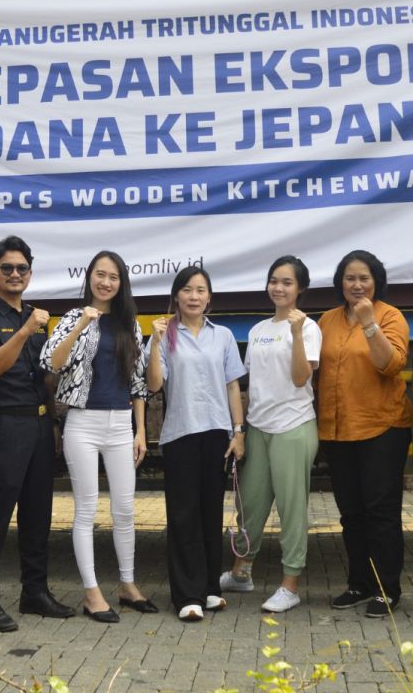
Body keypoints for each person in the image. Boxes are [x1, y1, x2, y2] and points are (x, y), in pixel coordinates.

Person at [41, 250, 157, 623]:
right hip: (83, 423)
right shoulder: (72, 317)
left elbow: (138, 383)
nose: (106, 282)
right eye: (100, 274)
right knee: (87, 509)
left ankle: (127, 585)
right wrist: (80, 325)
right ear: (89, 277)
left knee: (125, 510)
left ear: (121, 283)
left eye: (113, 277)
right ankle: (91, 593)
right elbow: (50, 363)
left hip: (121, 424)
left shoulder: (129, 324)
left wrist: (141, 432)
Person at [0, 235, 75, 632]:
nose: (15, 274)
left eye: (22, 268)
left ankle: (35, 593)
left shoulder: (37, 317)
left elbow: (45, 377)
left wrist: (56, 421)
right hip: (5, 426)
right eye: (7, 268)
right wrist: (26, 330)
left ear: (30, 272)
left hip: (39, 425)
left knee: (37, 514)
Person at [317, 249, 413, 618]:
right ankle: (358, 583)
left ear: (376, 282)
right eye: (350, 278)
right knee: (351, 513)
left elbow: (391, 365)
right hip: (337, 429)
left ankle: (386, 589)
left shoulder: (390, 316)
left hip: (382, 428)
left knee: (381, 512)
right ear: (340, 282)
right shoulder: (326, 320)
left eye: (364, 278)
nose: (357, 285)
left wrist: (369, 324)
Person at [218, 256, 321, 613]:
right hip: (259, 427)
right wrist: (242, 429)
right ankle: (241, 572)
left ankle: (290, 585)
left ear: (300, 288)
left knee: (292, 509)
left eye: (287, 282)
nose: (279, 288)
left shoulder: (309, 327)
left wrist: (296, 333)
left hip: (294, 426)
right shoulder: (258, 329)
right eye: (274, 281)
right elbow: (254, 386)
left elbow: (300, 378)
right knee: (250, 504)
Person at [146, 265, 246, 622]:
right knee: (183, 515)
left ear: (209, 297)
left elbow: (232, 385)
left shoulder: (223, 336)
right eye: (187, 290)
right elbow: (154, 385)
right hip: (181, 434)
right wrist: (154, 343)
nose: (194, 296)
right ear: (176, 295)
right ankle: (186, 595)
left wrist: (238, 431)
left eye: (200, 290)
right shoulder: (164, 334)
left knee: (209, 512)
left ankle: (208, 589)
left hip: (217, 433)